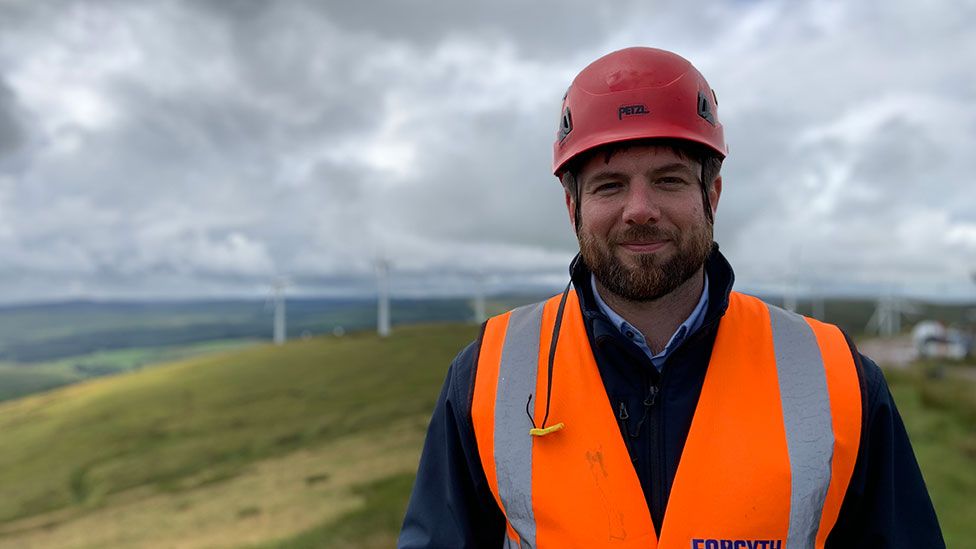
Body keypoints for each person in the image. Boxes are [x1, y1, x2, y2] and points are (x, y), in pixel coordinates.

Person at [398, 47, 944, 548]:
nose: (640, 209)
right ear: (572, 208)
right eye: (610, 185)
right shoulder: (487, 375)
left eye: (669, 180)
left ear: (713, 195)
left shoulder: (836, 377)